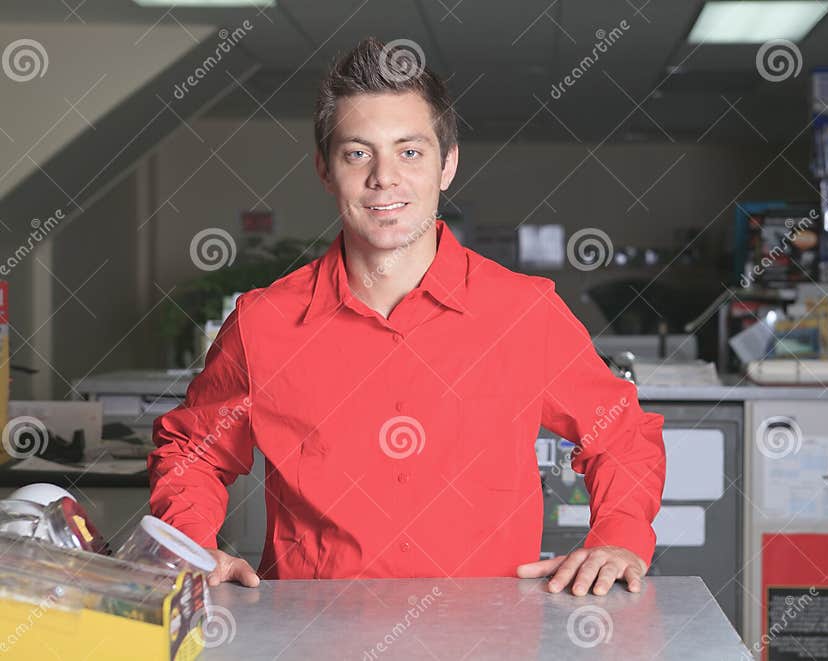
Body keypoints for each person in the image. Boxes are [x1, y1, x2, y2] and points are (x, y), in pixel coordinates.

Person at [148, 37, 665, 597]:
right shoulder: (261, 323)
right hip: (310, 640)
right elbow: (194, 451)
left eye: (410, 152)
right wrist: (191, 541)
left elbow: (621, 435)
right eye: (357, 152)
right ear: (325, 169)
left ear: (448, 165)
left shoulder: (524, 311)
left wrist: (618, 534)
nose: (384, 177)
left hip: (487, 639)